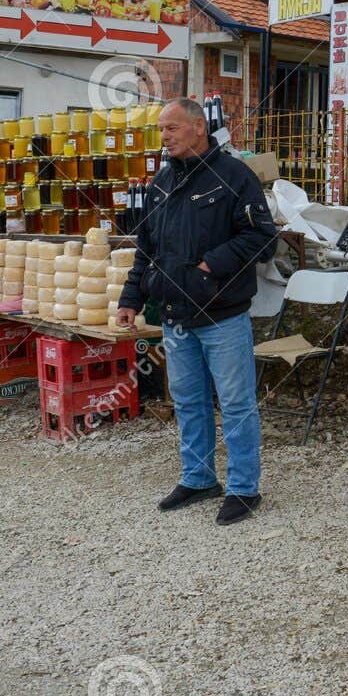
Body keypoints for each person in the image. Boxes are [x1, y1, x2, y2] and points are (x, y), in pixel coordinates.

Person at [116, 98, 277, 526]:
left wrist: (210, 266)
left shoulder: (235, 176)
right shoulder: (163, 182)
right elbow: (146, 247)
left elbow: (262, 238)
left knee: (236, 403)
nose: (164, 136)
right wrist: (130, 299)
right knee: (188, 401)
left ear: (199, 128)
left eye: (172, 128)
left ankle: (244, 488)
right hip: (175, 313)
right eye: (161, 129)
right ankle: (199, 478)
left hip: (222, 314)